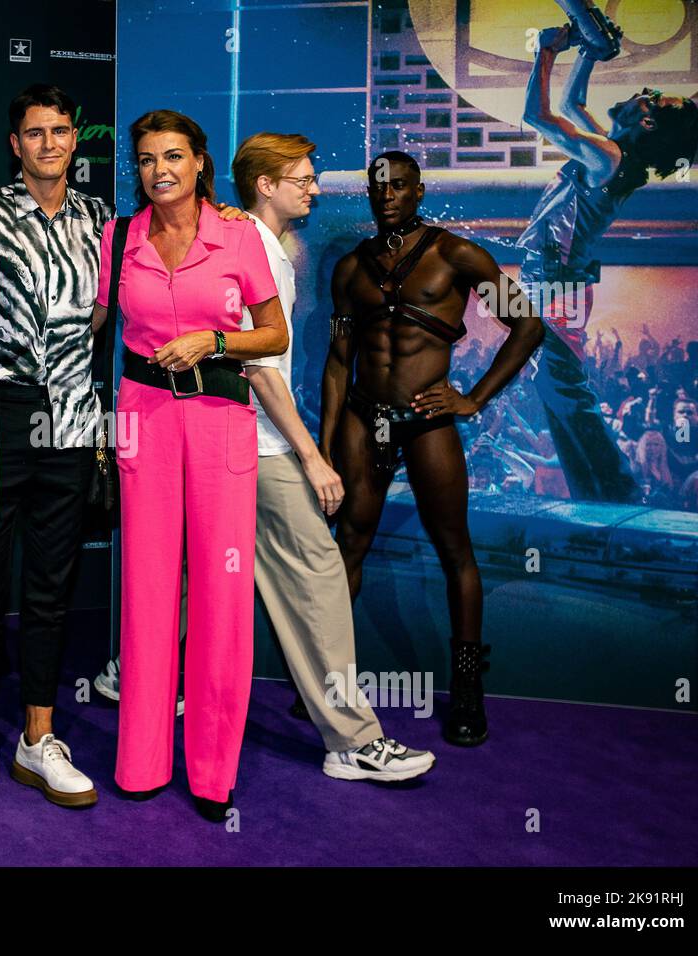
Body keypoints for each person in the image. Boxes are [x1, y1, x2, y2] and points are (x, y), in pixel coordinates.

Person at [94, 109, 288, 821]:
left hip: (220, 422)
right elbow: (91, 328)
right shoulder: (118, 238)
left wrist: (214, 339)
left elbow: (275, 331)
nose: (159, 171)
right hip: (143, 420)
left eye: (173, 156)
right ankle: (141, 761)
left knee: (221, 598)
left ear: (200, 162)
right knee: (146, 595)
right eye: (146, 160)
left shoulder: (238, 235)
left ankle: (212, 770)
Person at [322, 151, 544, 747]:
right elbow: (340, 361)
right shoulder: (349, 269)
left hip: (426, 419)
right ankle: (331, 686)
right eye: (378, 188)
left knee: (455, 552)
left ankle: (468, 692)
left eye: (398, 186)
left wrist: (474, 399)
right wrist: (321, 451)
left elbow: (529, 326)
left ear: (418, 191)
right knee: (349, 547)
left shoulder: (457, 255)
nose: (387, 195)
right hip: (365, 418)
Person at [232, 132, 435, 781]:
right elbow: (259, 369)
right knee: (319, 578)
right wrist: (312, 458)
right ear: (266, 185)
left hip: (240, 444)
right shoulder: (256, 248)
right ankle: (351, 742)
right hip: (260, 445)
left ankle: (150, 687)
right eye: (302, 179)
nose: (315, 188)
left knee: (215, 577)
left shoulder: (257, 244)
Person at [0, 85, 113, 810]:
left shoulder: (105, 221)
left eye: (61, 130)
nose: (49, 143)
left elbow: (110, 306)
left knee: (51, 585)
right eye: (35, 133)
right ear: (15, 143)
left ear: (76, 139)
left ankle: (38, 738)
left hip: (72, 418)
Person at [520, 23, 698, 502]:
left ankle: (619, 495)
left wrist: (546, 51)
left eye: (654, 98)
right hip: (556, 282)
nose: (645, 92)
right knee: (553, 389)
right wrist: (589, 52)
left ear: (647, 123)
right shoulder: (613, 154)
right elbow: (569, 107)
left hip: (556, 286)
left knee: (566, 391)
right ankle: (592, 495)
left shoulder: (609, 158)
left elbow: (536, 115)